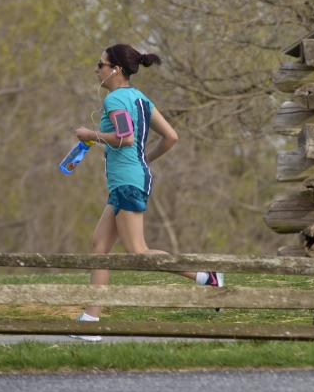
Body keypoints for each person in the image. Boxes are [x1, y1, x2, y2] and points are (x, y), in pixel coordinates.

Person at [69, 43, 223, 341]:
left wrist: (90, 135)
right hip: (127, 181)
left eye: (100, 64)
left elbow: (125, 138)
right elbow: (171, 137)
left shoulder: (115, 99)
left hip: (127, 182)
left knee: (138, 251)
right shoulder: (140, 98)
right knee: (99, 248)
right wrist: (144, 161)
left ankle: (207, 276)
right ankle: (90, 321)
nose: (96, 69)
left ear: (115, 70)